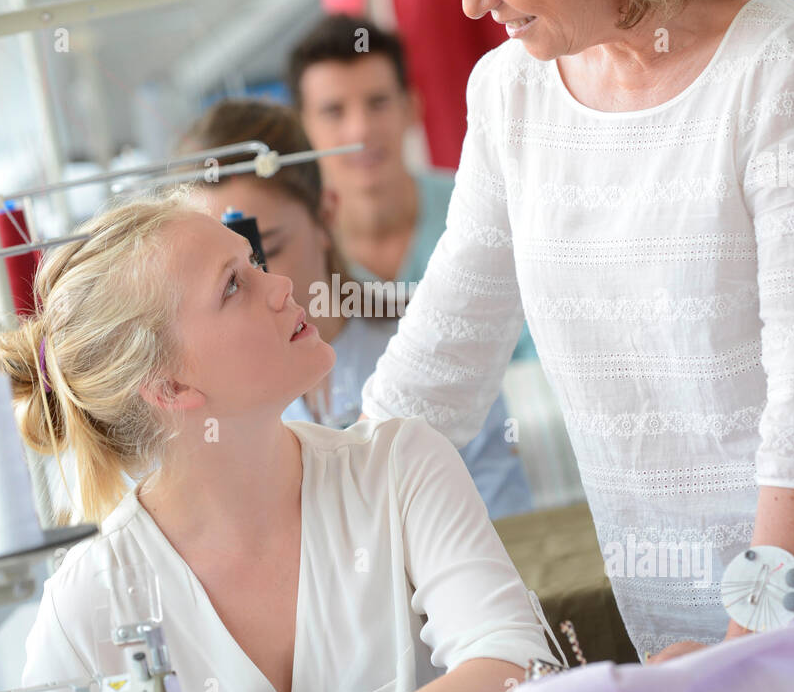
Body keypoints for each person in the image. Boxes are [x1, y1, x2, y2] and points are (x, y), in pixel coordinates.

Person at [358, 0, 794, 664]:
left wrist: (752, 637)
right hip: (678, 628)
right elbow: (437, 366)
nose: (471, 0)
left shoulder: (773, 73)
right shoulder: (510, 96)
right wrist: (298, 518)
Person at [0, 185, 558, 692]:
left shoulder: (399, 468)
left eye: (254, 263)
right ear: (169, 389)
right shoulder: (92, 595)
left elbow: (516, 672)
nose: (282, 286)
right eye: (234, 286)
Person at [175, 99, 533, 518]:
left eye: (264, 252)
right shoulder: (202, 413)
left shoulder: (433, 347)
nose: (262, 289)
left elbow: (505, 523)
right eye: (228, 284)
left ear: (325, 217)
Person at [285, 10, 537, 359]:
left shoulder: (487, 207)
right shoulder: (292, 255)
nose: (360, 130)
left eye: (378, 103)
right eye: (333, 111)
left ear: (411, 108)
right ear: (302, 130)